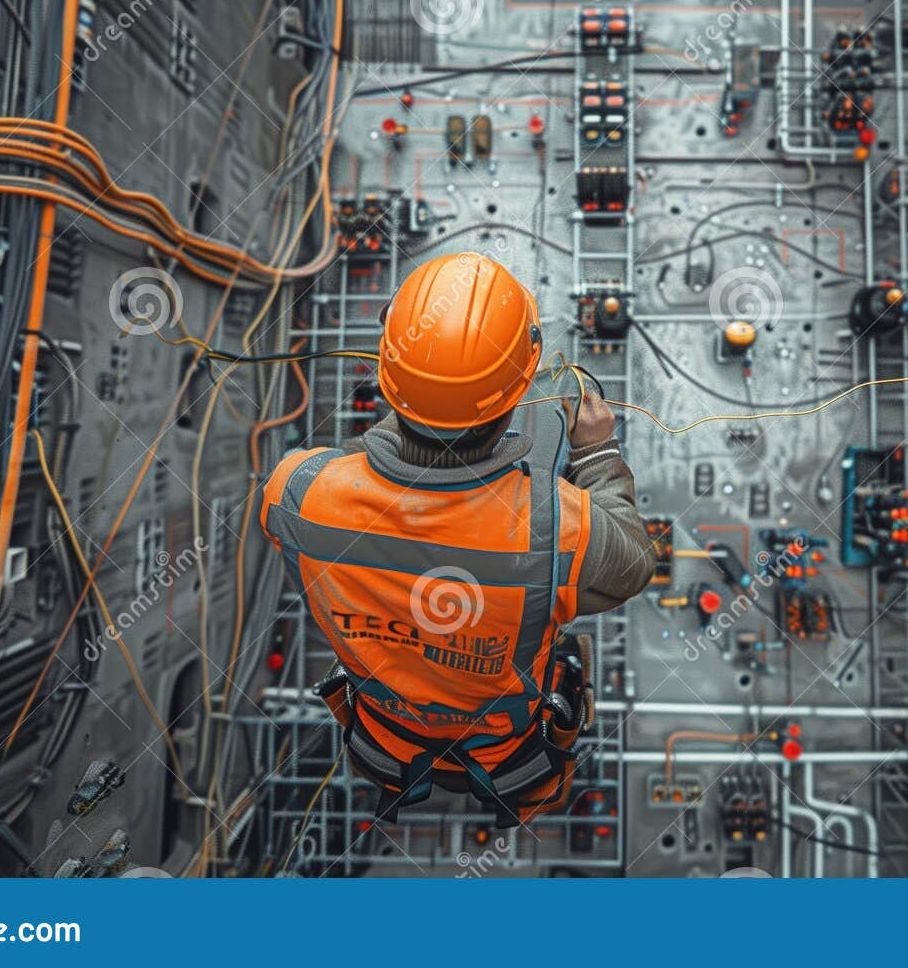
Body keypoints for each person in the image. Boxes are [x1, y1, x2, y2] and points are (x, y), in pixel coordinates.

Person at [260, 252, 653, 826]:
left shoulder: (294, 493)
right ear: (515, 398)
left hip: (384, 733)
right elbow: (635, 562)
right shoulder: (555, 526)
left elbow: (357, 474)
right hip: (507, 747)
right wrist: (597, 452)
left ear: (389, 377)